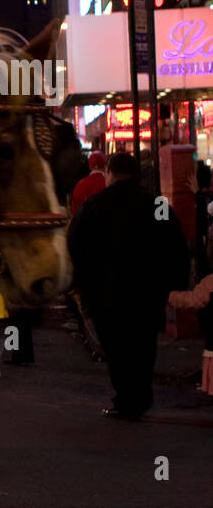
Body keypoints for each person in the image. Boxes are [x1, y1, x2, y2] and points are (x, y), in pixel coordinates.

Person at [68, 151, 189, 419]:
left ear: (109, 174)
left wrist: (80, 283)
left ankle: (126, 397)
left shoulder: (94, 206)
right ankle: (140, 396)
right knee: (143, 345)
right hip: (147, 293)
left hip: (105, 293)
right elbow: (176, 247)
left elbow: (75, 245)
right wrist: (174, 284)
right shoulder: (156, 205)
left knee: (116, 347)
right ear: (137, 175)